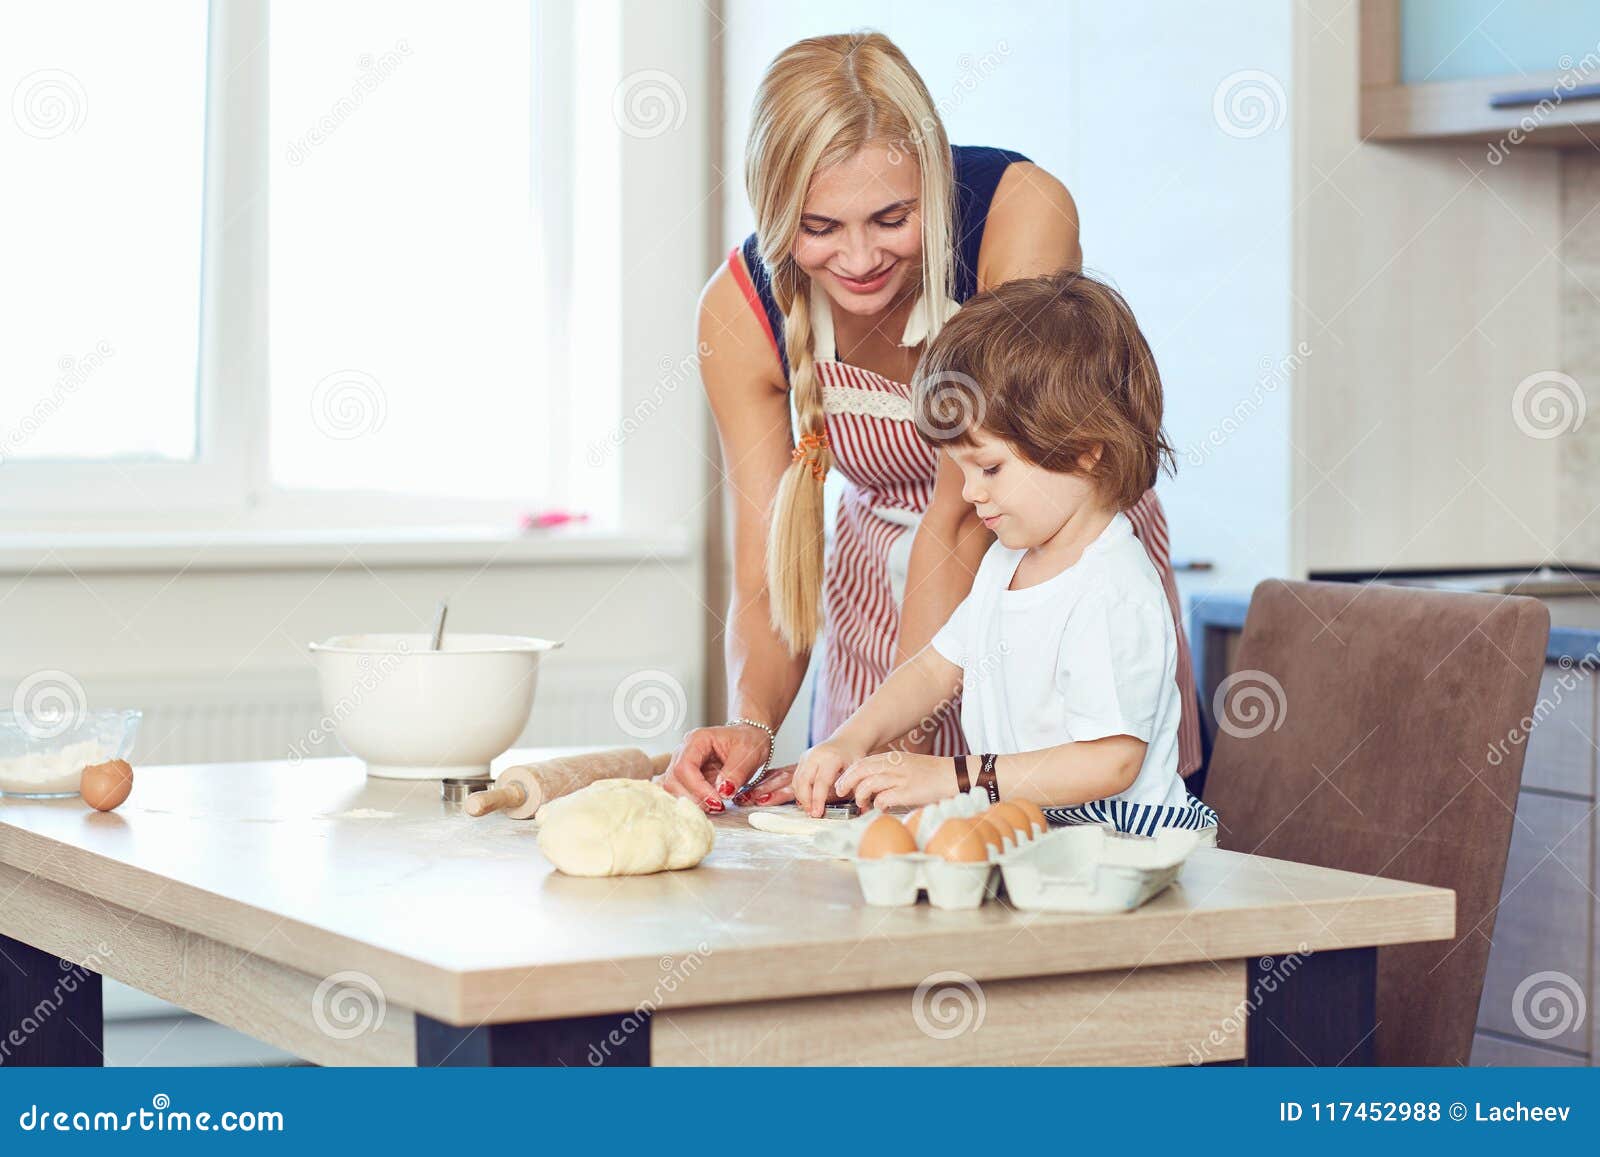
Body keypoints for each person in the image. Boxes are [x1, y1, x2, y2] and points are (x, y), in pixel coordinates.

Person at [662, 31, 1199, 816]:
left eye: (890, 218)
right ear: (774, 213)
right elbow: (765, 575)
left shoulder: (1019, 215)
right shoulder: (739, 311)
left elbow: (961, 510)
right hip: (885, 610)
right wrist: (759, 723)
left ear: (933, 176)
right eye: (818, 228)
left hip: (1040, 556)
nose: (857, 258)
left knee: (1061, 819)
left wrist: (905, 760)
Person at [791, 269, 1219, 836]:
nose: (970, 493)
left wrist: (954, 777)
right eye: (962, 470)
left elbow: (1111, 761)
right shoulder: (1007, 562)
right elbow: (934, 669)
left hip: (1123, 852)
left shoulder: (1111, 587)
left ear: (1085, 450)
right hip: (1041, 841)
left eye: (990, 467)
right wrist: (851, 737)